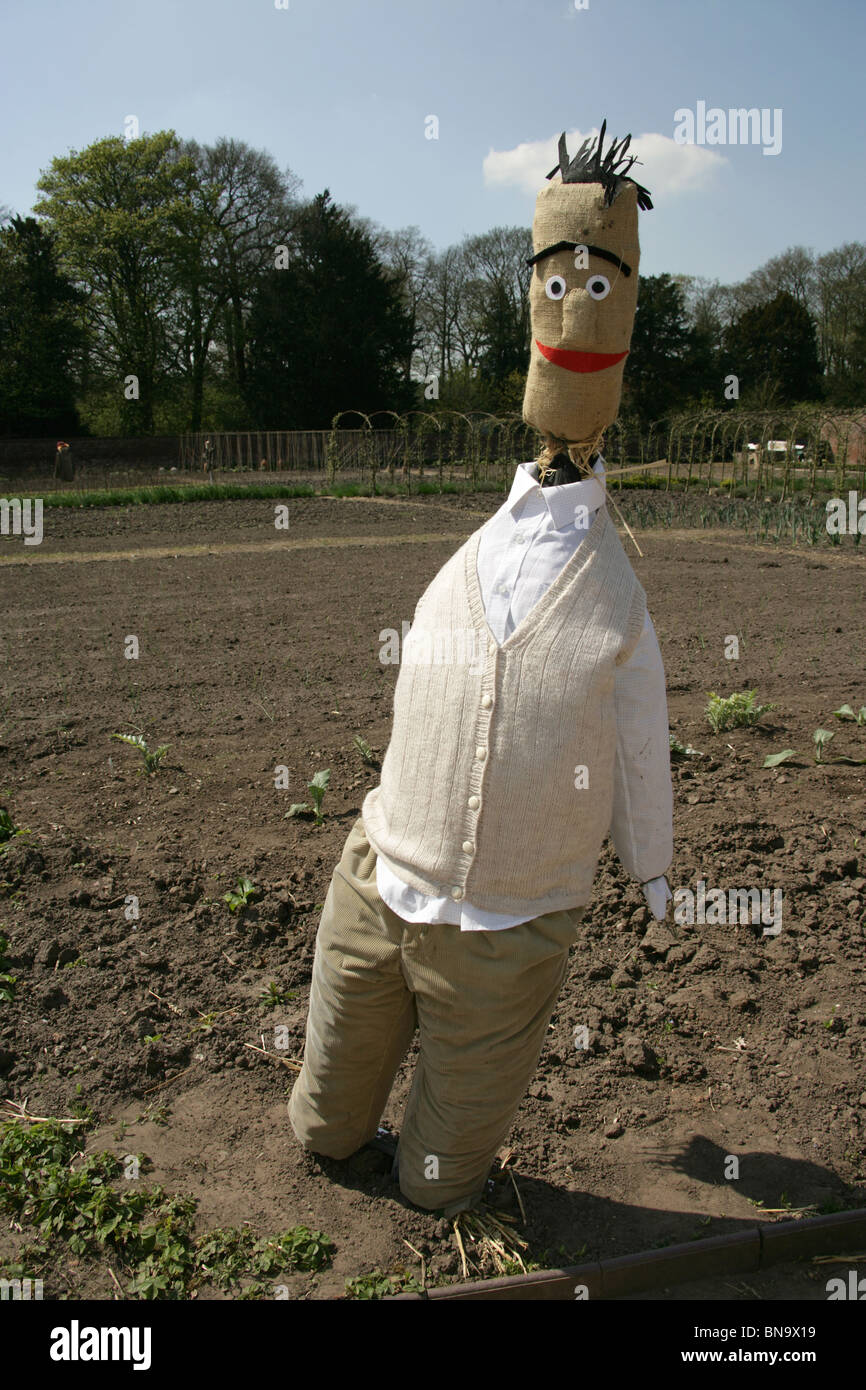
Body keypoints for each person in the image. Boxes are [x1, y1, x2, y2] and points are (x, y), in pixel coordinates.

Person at [288, 123, 673, 1218]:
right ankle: (345, 1109)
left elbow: (639, 743)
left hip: (510, 928)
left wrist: (649, 865)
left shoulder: (616, 599)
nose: (573, 301)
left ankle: (438, 1160)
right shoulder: (464, 560)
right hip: (377, 885)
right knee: (321, 1131)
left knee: (436, 1188)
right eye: (559, 279)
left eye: (596, 280)